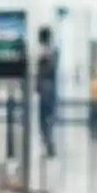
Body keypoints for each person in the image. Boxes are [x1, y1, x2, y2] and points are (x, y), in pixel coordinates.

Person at [35, 26, 58, 158]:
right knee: (47, 119)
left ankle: (49, 146)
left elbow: (43, 72)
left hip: (45, 89)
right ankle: (48, 145)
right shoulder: (52, 51)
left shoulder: (45, 53)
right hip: (49, 88)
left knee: (44, 119)